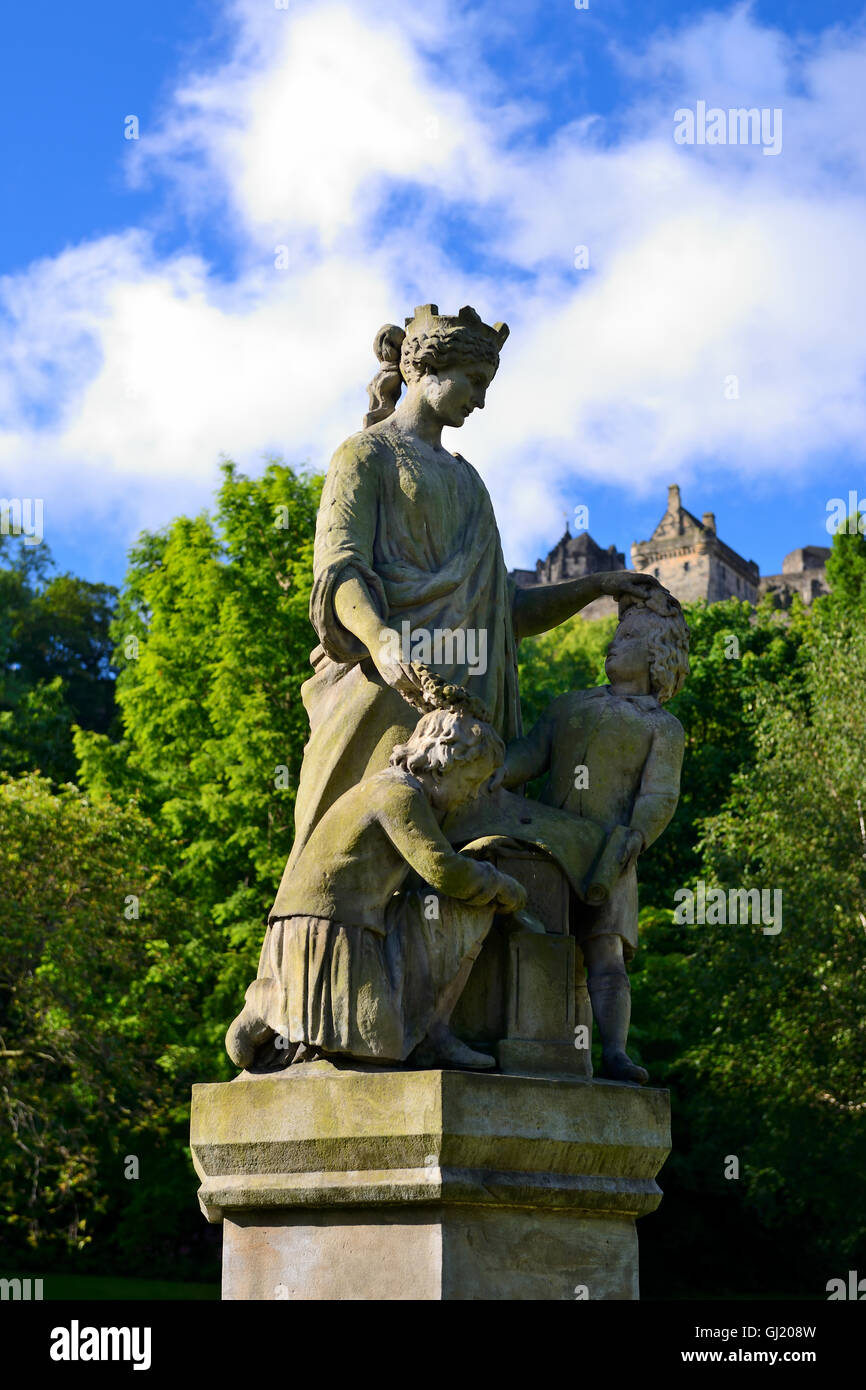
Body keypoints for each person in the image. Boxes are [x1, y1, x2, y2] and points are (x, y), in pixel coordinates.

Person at [226, 683, 527, 1072]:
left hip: (331, 924)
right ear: (442, 761)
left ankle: (429, 1033)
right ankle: (270, 1005)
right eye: (471, 783)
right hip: (328, 928)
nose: (471, 797)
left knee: (384, 1029)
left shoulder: (391, 789)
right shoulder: (399, 796)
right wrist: (498, 883)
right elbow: (443, 870)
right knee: (377, 1044)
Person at [499, 591, 690, 1083]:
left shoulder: (662, 727)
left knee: (606, 957)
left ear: (655, 655)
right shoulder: (568, 706)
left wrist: (638, 835)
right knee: (545, 945)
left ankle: (615, 1053)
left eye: (625, 638)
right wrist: (487, 768)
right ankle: (539, 1042)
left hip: (612, 851)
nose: (611, 643)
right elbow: (528, 756)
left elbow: (660, 793)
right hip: (548, 845)